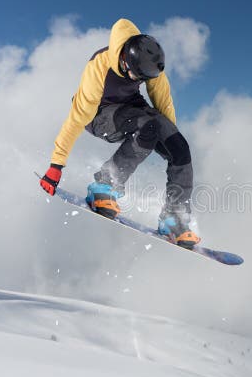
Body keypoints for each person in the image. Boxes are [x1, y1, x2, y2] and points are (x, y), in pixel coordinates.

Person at [39, 18, 200, 249]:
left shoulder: (150, 67)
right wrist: (57, 164)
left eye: (145, 79)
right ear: (125, 61)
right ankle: (103, 187)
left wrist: (169, 142)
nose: (141, 81)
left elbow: (163, 106)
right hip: (98, 115)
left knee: (179, 146)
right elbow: (77, 117)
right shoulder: (99, 66)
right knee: (148, 125)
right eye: (138, 78)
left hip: (132, 109)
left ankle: (174, 218)